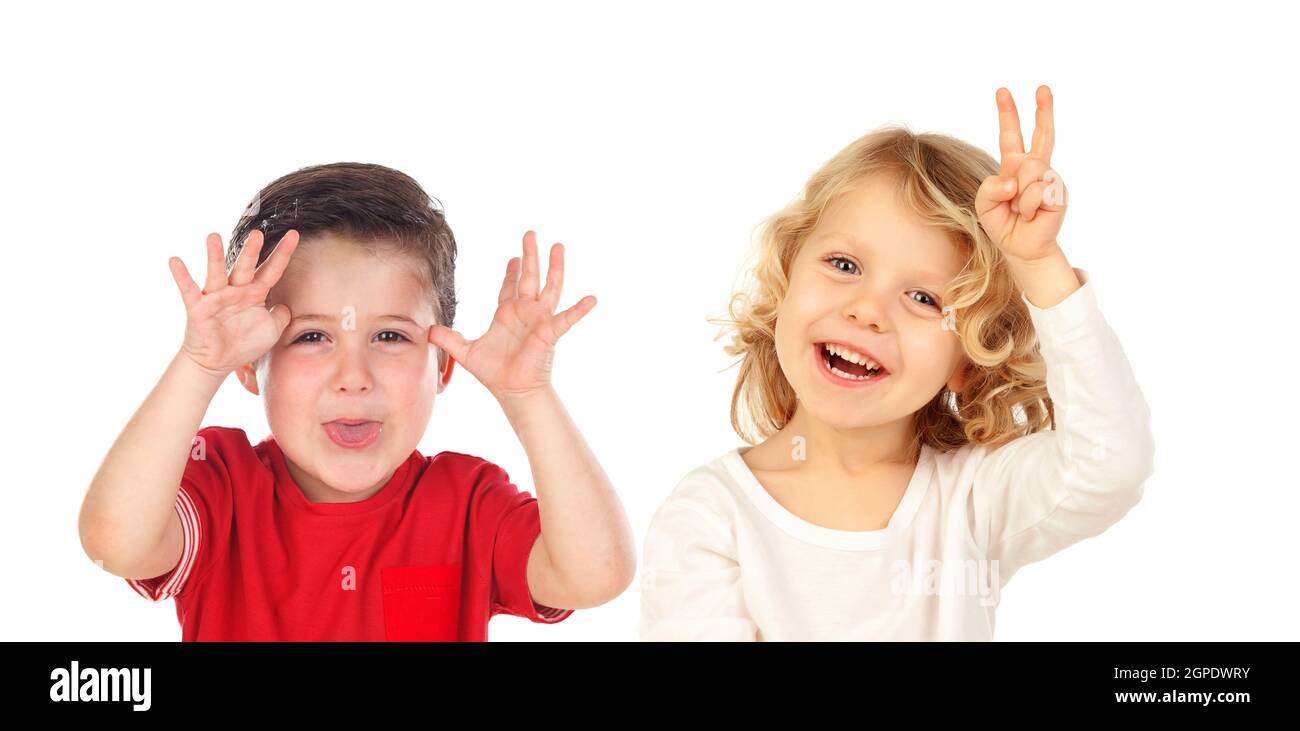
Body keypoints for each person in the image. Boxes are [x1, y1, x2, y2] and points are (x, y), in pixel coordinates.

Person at [639, 86, 1155, 641]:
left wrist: (1038, 264)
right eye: (844, 264)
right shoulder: (710, 517)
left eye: (924, 299)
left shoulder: (972, 501)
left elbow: (1110, 465)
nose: (867, 310)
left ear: (971, 359)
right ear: (787, 278)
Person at [79, 162, 635, 640]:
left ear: (442, 363)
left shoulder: (466, 503)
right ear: (251, 363)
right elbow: (115, 544)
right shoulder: (221, 485)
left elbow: (597, 573)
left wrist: (528, 397)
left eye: (389, 336)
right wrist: (199, 367)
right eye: (311, 337)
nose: (353, 378)